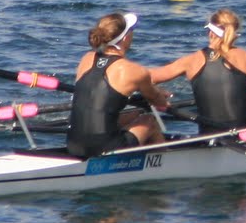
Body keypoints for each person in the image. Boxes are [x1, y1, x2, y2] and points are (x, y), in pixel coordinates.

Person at [65, 11, 172, 158]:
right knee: (149, 120)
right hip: (104, 149)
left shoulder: (86, 58)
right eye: (131, 30)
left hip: (73, 145)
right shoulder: (134, 71)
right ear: (126, 37)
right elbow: (159, 102)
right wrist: (159, 93)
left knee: (134, 115)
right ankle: (163, 163)